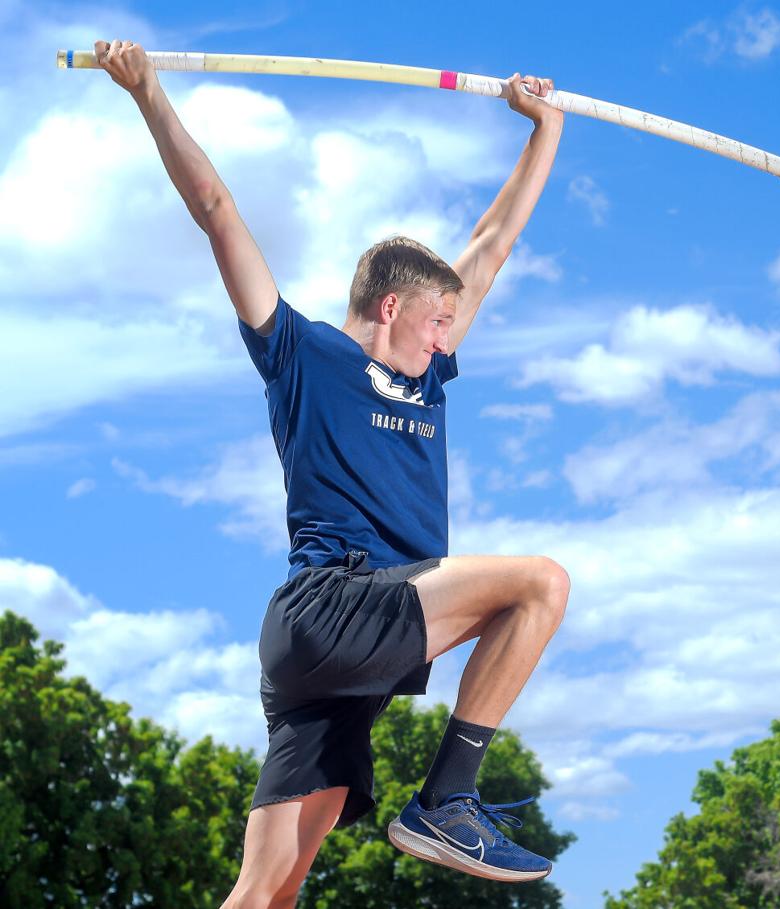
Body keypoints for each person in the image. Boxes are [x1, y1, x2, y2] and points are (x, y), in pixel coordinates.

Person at [96, 38, 570, 905]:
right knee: (540, 584)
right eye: (437, 322)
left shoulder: (428, 372)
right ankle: (446, 799)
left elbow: (493, 243)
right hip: (337, 604)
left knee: (270, 889)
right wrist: (147, 93)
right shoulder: (304, 354)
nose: (446, 338)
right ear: (393, 306)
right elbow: (215, 206)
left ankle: (440, 804)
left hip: (340, 658)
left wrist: (547, 129)